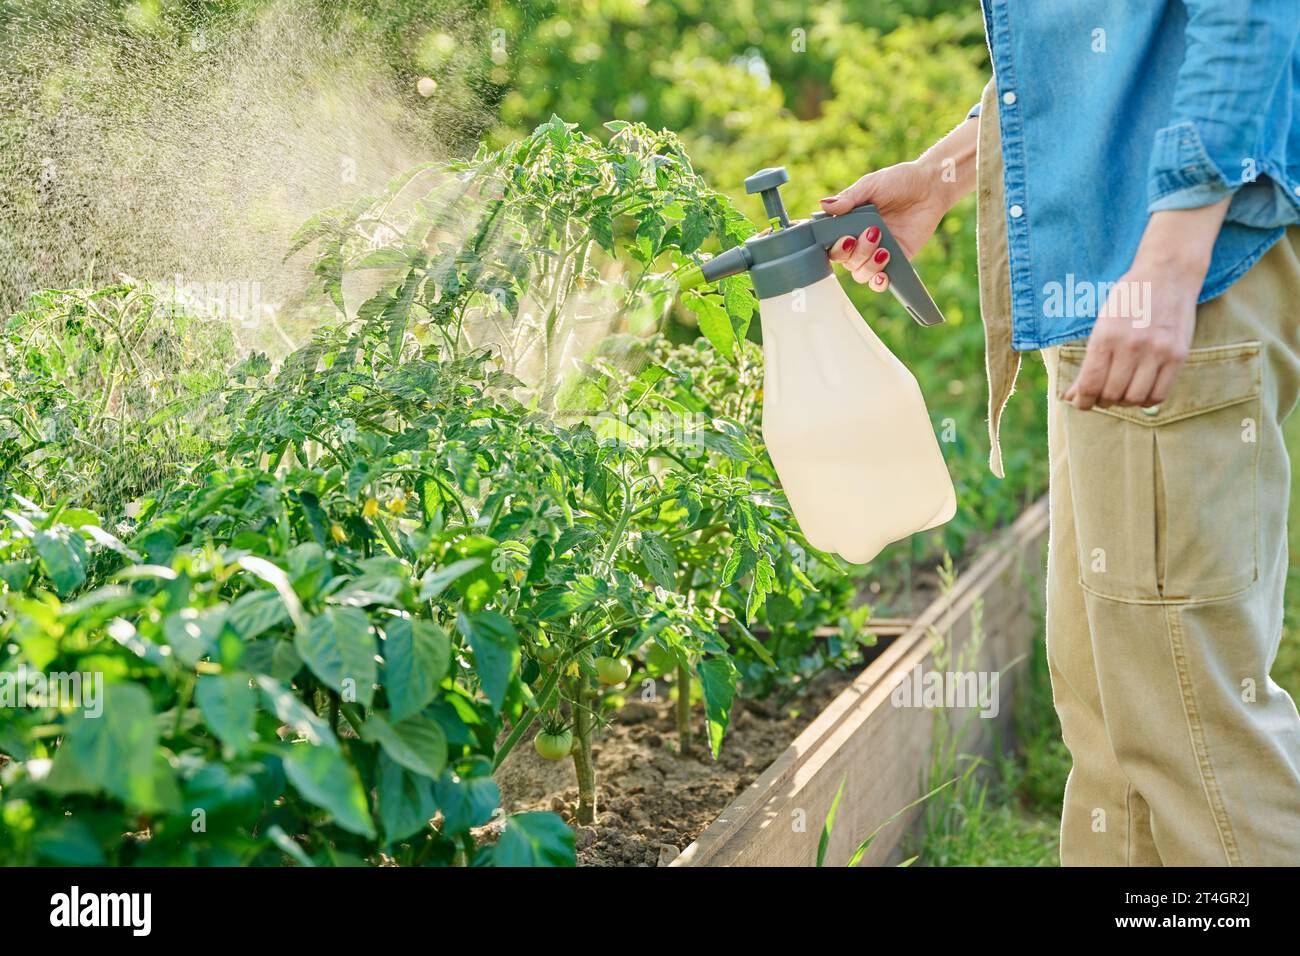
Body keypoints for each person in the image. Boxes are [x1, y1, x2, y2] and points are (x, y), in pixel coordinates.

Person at [823, 1, 1300, 866]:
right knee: (1115, 723)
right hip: (1114, 282)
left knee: (1196, 734)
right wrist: (942, 173)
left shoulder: (1165, 268)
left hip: (1169, 273)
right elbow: (1101, 49)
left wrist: (1167, 261)